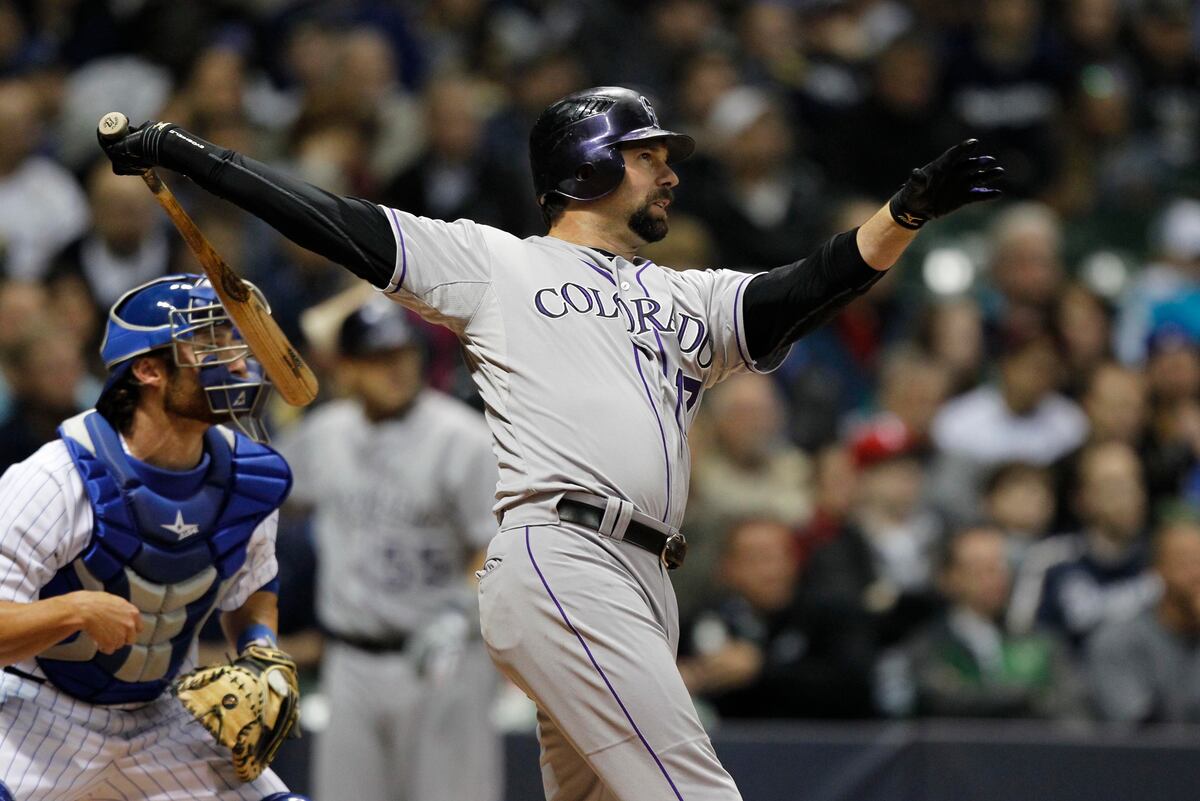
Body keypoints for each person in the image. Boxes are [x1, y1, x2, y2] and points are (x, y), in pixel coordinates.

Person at [98, 86, 1003, 801]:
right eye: (649, 154)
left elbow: (810, 286)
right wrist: (189, 153)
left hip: (645, 578)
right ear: (590, 160)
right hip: (563, 553)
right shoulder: (500, 263)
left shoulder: (684, 295)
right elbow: (337, 221)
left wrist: (904, 213)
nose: (670, 173)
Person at [0, 274, 306, 800]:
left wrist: (260, 651)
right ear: (147, 370)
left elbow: (252, 589)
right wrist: (74, 610)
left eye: (236, 340)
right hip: (39, 710)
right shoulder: (56, 477)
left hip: (162, 716)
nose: (237, 360)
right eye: (209, 342)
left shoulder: (249, 478)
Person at [275, 298, 501, 801]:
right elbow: (264, 496)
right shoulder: (326, 433)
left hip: (442, 658)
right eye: (379, 358)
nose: (396, 369)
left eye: (404, 354)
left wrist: (460, 611)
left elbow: (496, 544)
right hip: (350, 661)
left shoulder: (460, 439)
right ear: (348, 369)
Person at [903, 525, 1085, 720]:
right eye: (981, 568)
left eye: (1000, 566)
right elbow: (942, 699)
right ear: (949, 577)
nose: (995, 578)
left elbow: (1071, 702)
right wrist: (1027, 695)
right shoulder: (929, 645)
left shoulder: (1038, 640)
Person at [1087, 520, 1200, 724]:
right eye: (1187, 562)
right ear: (1157, 570)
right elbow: (1141, 732)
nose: (1197, 574)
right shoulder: (1117, 639)